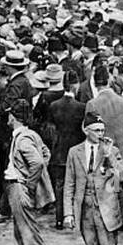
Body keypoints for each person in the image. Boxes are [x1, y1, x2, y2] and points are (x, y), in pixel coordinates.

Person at [64, 114, 123, 245]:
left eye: (102, 130)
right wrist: (68, 213)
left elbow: (121, 177)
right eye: (96, 130)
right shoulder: (74, 152)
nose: (101, 134)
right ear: (86, 130)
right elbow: (69, 183)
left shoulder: (112, 150)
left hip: (106, 209)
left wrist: (109, 156)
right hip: (85, 208)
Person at [1, 99, 53, 245]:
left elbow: (38, 162)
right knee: (20, 233)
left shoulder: (22, 139)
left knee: (29, 233)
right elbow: (45, 154)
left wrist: (29, 185)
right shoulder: (31, 135)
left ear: (13, 117)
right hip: (17, 187)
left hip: (19, 187)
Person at [45, 74, 86, 228]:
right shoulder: (81, 107)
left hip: (59, 151)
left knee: (60, 185)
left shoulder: (54, 105)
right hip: (74, 150)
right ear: (75, 85)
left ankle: (59, 219)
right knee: (76, 183)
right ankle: (74, 215)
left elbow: (50, 130)